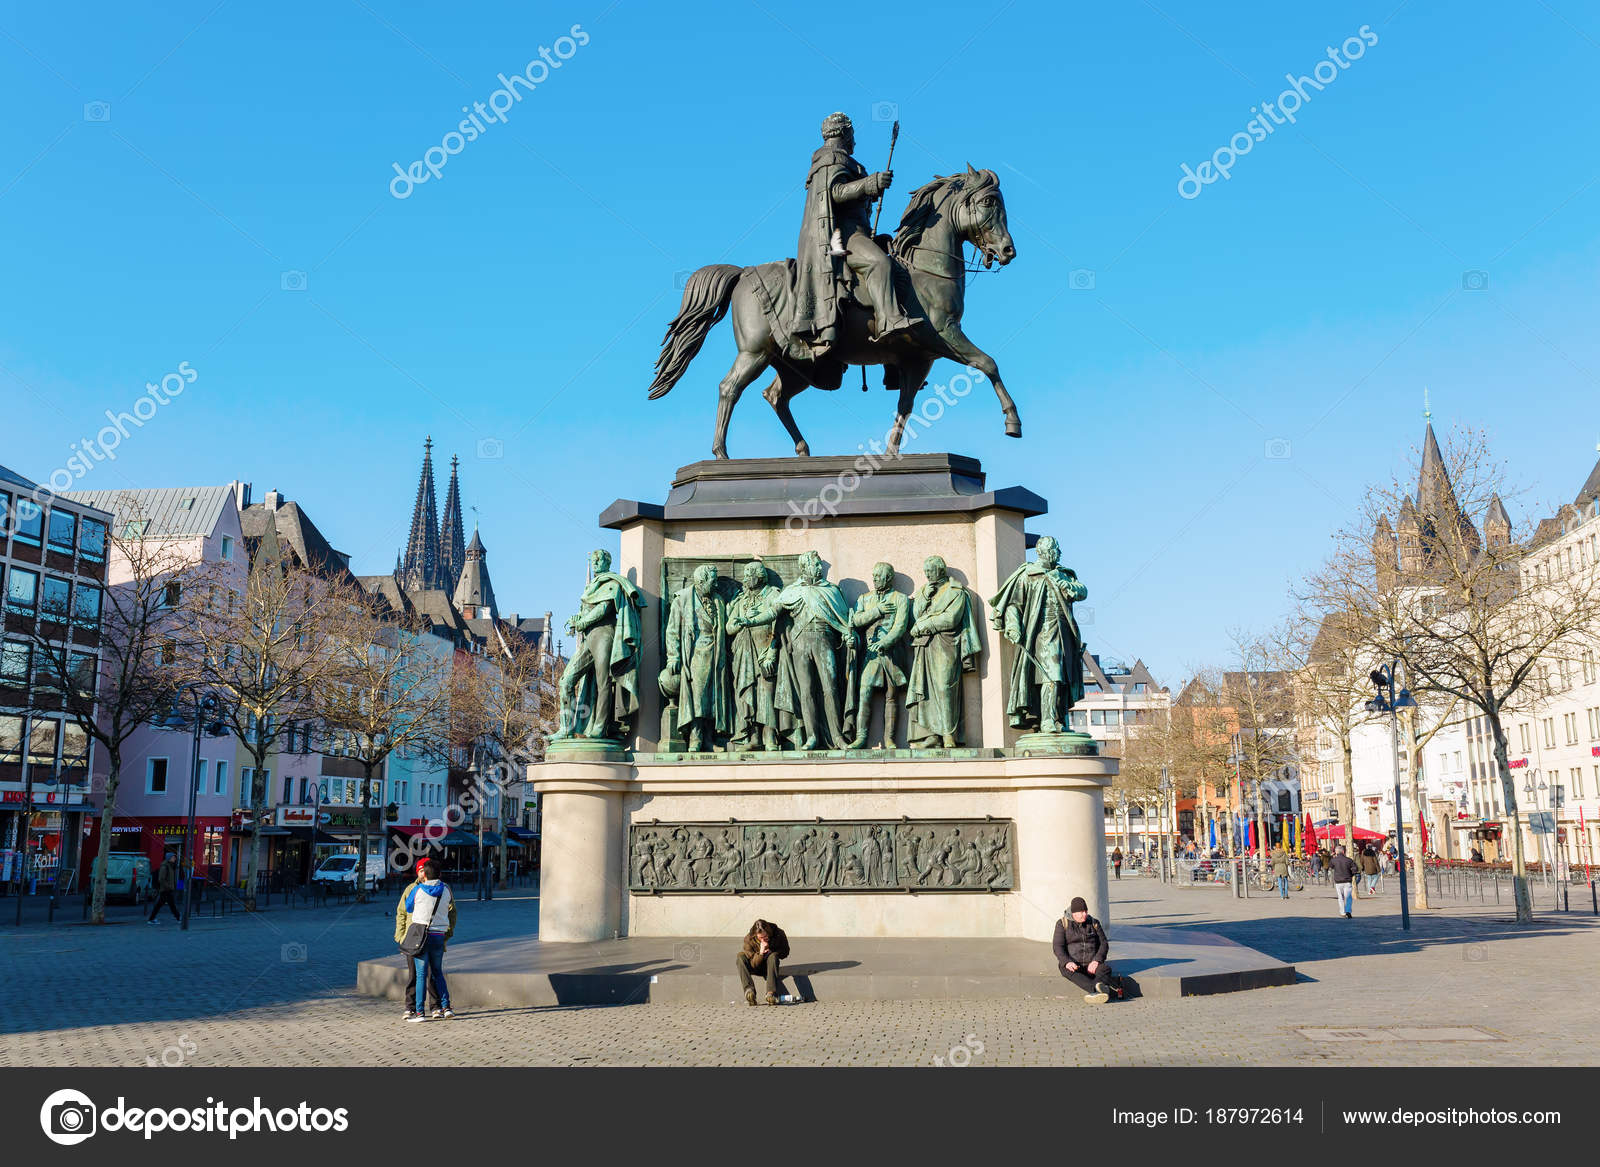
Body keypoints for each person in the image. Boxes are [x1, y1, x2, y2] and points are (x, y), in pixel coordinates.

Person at [395, 859, 456, 1021]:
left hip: (421, 936)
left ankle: (420, 1012)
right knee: (437, 973)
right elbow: (451, 908)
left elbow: (408, 908)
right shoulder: (447, 890)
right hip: (439, 936)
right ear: (440, 874)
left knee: (421, 975)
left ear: (425, 874)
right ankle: (446, 1007)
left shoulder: (417, 889)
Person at [1053, 897, 1115, 1004]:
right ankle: (1096, 989)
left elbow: (1104, 944)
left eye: (1086, 911)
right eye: (1081, 912)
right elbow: (1058, 946)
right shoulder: (1062, 923)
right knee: (1065, 970)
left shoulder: (1094, 923)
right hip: (1074, 964)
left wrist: (1096, 961)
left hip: (1092, 964)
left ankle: (1094, 993)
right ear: (1073, 913)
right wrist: (1067, 962)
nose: (1084, 914)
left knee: (1106, 969)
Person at [736, 918, 790, 1005]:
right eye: (761, 937)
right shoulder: (748, 939)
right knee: (740, 956)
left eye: (766, 936)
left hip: (771, 966)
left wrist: (771, 950)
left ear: (769, 932)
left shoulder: (779, 933)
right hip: (756, 966)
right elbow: (753, 964)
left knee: (773, 956)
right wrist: (761, 953)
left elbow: (785, 952)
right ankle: (749, 992)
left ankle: (770, 993)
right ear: (755, 935)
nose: (764, 939)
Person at [147, 850, 180, 923]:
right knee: (171, 905)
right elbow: (161, 879)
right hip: (166, 890)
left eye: (175, 857)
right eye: (173, 857)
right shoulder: (165, 866)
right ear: (169, 858)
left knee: (161, 905)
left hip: (167, 889)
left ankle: (151, 919)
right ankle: (178, 917)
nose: (175, 859)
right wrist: (168, 886)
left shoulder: (170, 866)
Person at [1329, 843, 1358, 917]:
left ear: (1336, 852)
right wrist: (1352, 874)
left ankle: (1342, 912)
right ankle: (1348, 910)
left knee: (1340, 897)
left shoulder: (1333, 860)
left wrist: (1333, 857)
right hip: (1347, 880)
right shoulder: (1349, 860)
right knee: (1348, 897)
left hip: (1338, 881)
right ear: (1343, 852)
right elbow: (1355, 869)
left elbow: (1330, 866)